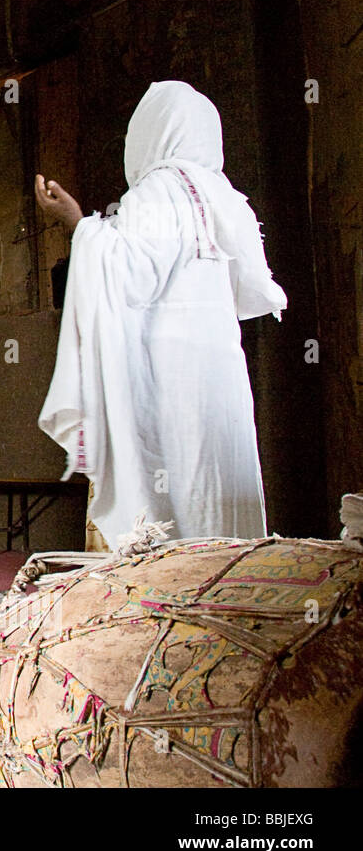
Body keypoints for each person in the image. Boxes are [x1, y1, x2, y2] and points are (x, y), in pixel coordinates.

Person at [36, 81, 287, 544]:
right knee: (215, 474)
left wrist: (78, 224)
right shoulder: (226, 199)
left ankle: (159, 586)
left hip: (167, 371)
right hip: (220, 368)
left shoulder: (160, 189)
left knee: (168, 471)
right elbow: (253, 289)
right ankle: (227, 581)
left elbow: (130, 270)